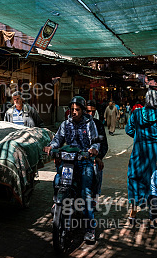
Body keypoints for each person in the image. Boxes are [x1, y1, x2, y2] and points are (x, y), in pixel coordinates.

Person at [44, 96, 103, 242]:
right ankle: (57, 203)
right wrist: (52, 146)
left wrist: (94, 150)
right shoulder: (65, 124)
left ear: (82, 110)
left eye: (77, 109)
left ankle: (90, 229)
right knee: (57, 180)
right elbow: (57, 139)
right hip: (68, 162)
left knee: (86, 194)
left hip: (84, 162)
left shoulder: (89, 124)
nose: (74, 112)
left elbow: (95, 142)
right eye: (72, 109)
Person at [126, 89, 157, 223]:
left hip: (139, 152)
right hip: (156, 155)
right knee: (155, 182)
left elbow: (128, 129)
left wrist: (138, 136)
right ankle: (154, 215)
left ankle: (133, 213)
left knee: (135, 178)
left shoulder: (136, 113)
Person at [87, 99, 109, 196]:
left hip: (92, 158)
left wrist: (98, 157)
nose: (91, 114)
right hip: (77, 157)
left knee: (97, 171)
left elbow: (104, 144)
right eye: (88, 111)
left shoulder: (98, 124)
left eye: (93, 111)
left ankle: (95, 197)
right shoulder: (74, 123)